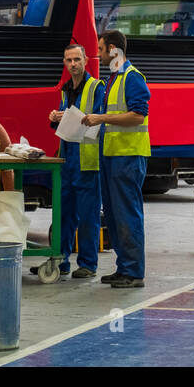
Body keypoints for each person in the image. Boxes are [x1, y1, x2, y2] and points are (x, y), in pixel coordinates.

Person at [82, 29, 150, 289]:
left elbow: (138, 116)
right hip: (111, 155)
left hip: (128, 156)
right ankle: (124, 268)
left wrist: (101, 118)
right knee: (114, 215)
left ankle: (134, 272)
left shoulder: (132, 78)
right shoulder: (113, 79)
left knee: (127, 214)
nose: (98, 54)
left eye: (100, 49)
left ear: (113, 50)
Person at [44, 43, 105, 280]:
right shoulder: (65, 89)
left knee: (88, 215)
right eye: (69, 60)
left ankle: (88, 264)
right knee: (63, 213)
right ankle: (61, 261)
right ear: (64, 63)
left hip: (87, 160)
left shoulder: (96, 87)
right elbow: (65, 121)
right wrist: (55, 118)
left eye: (77, 59)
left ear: (86, 60)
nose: (73, 64)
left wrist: (67, 116)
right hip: (67, 157)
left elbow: (98, 118)